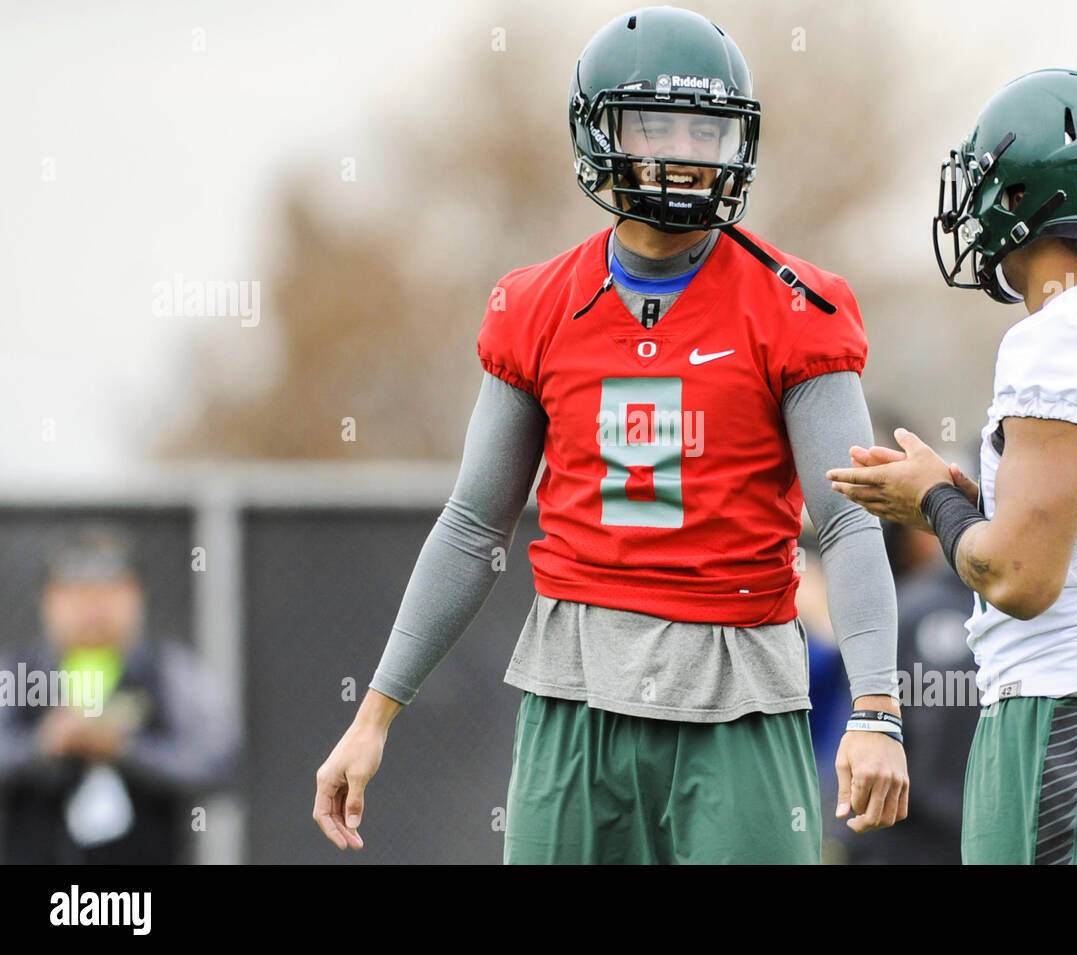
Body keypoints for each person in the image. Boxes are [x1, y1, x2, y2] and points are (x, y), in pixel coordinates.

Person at [312, 6, 906, 864]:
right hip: (575, 691)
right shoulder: (537, 303)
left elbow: (848, 523)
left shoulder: (796, 306)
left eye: (706, 130)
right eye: (653, 125)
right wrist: (374, 716)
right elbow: (475, 523)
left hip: (740, 696)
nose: (684, 153)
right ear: (600, 133)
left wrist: (877, 708)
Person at [827, 69, 1077, 864]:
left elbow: (1021, 580)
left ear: (1028, 193)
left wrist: (933, 498)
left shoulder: (1057, 335)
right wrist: (971, 498)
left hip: (1074, 706)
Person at [0, 526, 237, 864]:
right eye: (79, 594)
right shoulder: (18, 673)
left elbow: (218, 763)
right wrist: (44, 744)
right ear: (50, 600)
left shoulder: (168, 673)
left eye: (107, 593)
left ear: (134, 597)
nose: (93, 609)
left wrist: (125, 748)